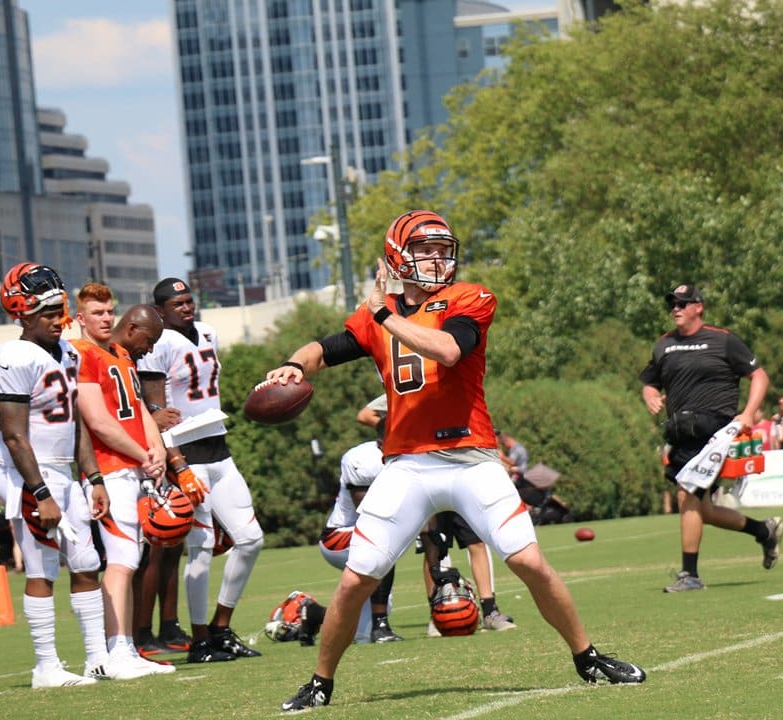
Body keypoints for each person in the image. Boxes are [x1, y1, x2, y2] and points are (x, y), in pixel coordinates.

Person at [267, 210, 645, 711]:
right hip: (407, 464)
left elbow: (448, 349)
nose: (438, 257)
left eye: (444, 248)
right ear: (399, 256)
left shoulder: (468, 297)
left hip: (471, 459)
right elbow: (322, 348)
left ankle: (588, 657)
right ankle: (320, 682)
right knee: (358, 576)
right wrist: (293, 366)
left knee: (528, 559)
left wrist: (384, 315)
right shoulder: (377, 314)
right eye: (425, 249)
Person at [0, 263, 110, 689]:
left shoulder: (70, 352)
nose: (59, 319)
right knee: (41, 569)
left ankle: (98, 658)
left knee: (87, 562)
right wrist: (40, 493)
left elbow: (76, 423)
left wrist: (93, 478)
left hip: (62, 472)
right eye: (47, 313)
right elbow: (15, 436)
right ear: (21, 313)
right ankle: (46, 666)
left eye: (60, 310)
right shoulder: (11, 358)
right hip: (28, 475)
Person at [137, 277, 260, 663]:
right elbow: (156, 415)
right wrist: (178, 464)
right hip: (187, 456)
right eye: (177, 304)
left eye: (189, 301)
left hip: (219, 449)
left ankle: (221, 627)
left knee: (251, 539)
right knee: (201, 550)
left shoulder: (208, 332)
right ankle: (201, 640)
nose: (186, 308)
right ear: (160, 311)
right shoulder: (157, 344)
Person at [639, 283, 783, 593]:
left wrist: (748, 414)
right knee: (701, 510)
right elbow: (650, 382)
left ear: (698, 307)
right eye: (672, 304)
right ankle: (763, 530)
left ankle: (690, 575)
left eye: (681, 303)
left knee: (686, 494)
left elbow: (759, 375)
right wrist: (650, 396)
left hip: (714, 434)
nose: (675, 309)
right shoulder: (664, 345)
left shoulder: (723, 340)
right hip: (680, 433)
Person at [70, 284, 176, 678]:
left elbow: (142, 414)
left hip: (132, 467)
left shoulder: (121, 355)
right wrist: (141, 453)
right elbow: (97, 421)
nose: (104, 317)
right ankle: (114, 652)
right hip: (107, 468)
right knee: (122, 559)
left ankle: (126, 648)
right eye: (96, 312)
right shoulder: (79, 354)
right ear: (80, 318)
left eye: (108, 311)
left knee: (132, 557)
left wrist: (158, 452)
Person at [358, 396, 516, 633]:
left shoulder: (455, 381)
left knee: (475, 541)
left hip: (461, 465)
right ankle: (438, 611)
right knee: (432, 544)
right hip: (425, 469)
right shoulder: (409, 383)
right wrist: (401, 425)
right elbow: (365, 415)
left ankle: (490, 610)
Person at [318, 420, 402, 644]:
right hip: (338, 537)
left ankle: (313, 615)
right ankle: (380, 624)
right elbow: (366, 510)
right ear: (380, 443)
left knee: (359, 635)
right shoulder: (363, 459)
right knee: (383, 539)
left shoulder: (411, 458)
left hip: (365, 536)